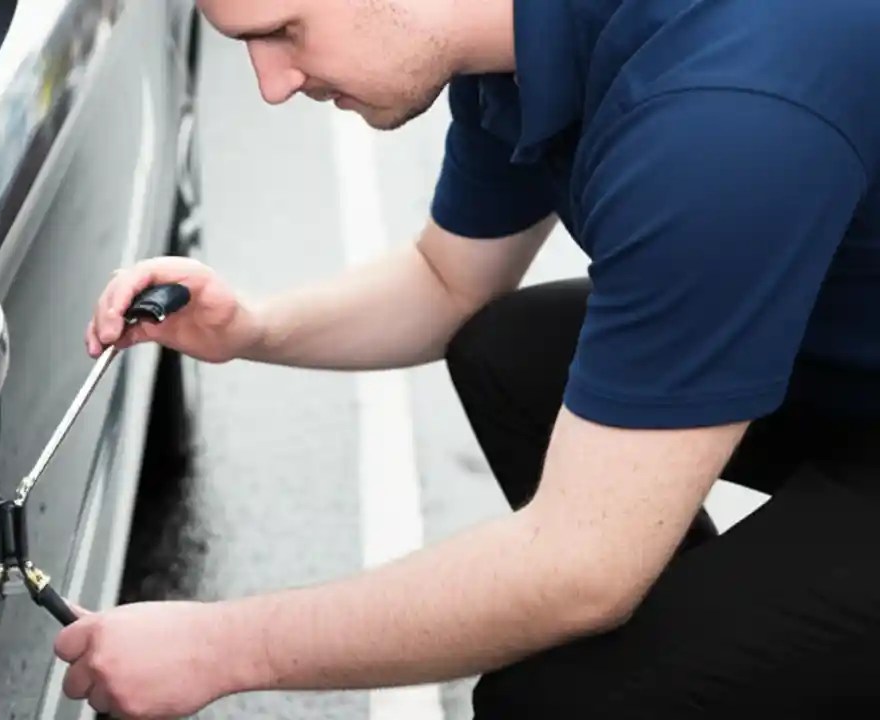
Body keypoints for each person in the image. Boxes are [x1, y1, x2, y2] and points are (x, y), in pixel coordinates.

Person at [54, 0, 880, 717]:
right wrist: (251, 330)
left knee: (557, 702)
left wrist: (223, 648)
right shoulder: (512, 53)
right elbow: (449, 282)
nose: (271, 85)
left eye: (283, 31)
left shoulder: (721, 112)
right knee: (505, 353)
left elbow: (583, 567)